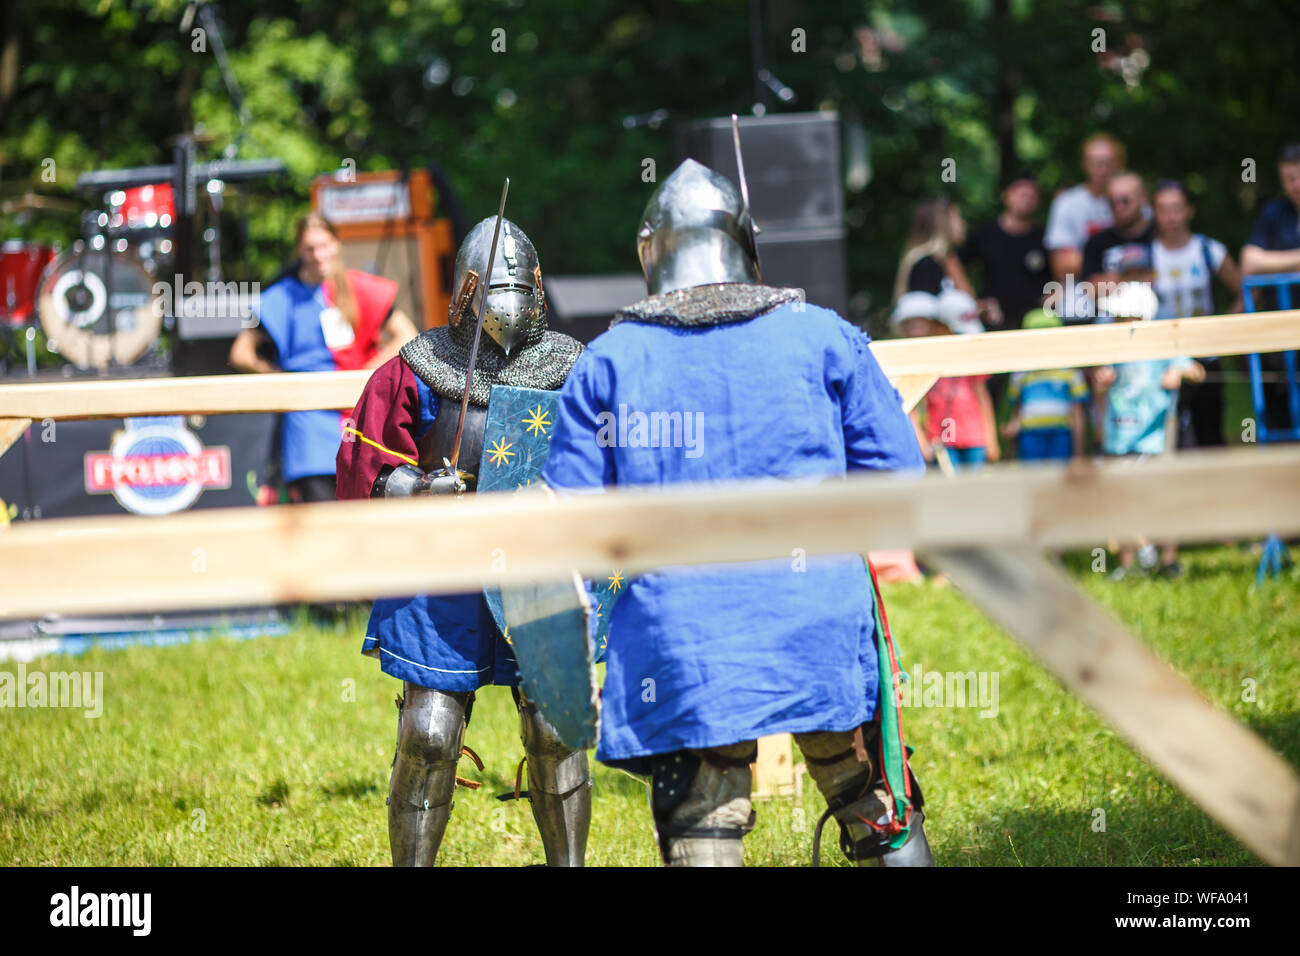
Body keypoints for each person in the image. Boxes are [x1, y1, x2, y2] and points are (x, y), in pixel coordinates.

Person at [541, 158, 933, 867]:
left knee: (704, 818)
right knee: (874, 803)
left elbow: (572, 525)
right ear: (743, 243)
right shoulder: (823, 335)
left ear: (651, 251)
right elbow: (897, 480)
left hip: (684, 641)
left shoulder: (607, 362)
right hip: (817, 622)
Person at [335, 217, 592, 866]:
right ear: (464, 290)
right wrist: (417, 489)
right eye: (490, 288)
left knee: (554, 730)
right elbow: (366, 466)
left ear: (537, 287)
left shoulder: (574, 368)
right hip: (440, 567)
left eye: (516, 288)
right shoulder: (414, 371)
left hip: (540, 565)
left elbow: (606, 463)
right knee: (427, 733)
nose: (504, 304)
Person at [229, 213, 419, 503]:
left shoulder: (360, 288)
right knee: (321, 526)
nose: (318, 255)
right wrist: (280, 381)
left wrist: (367, 375)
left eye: (323, 245)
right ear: (299, 251)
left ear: (336, 244)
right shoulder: (282, 296)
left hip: (362, 420)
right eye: (309, 248)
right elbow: (241, 353)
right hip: (310, 430)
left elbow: (406, 334)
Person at [1093, 283, 1204, 579]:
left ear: (1140, 319)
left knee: (1163, 496)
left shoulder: (1163, 344)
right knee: (1119, 496)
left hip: (1156, 434)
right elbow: (1101, 386)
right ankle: (1131, 562)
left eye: (1122, 318)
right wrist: (1101, 385)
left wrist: (1177, 372)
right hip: (1119, 435)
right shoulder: (1112, 345)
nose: (1116, 323)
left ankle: (1168, 559)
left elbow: (1196, 370)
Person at [1150, 179, 1242, 447]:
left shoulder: (1208, 250)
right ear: (1155, 213)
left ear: (1189, 210)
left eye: (1176, 208)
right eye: (1163, 209)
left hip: (1206, 353)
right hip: (1163, 356)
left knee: (1210, 431)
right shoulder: (1146, 255)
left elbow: (1245, 291)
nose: (1170, 217)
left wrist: (1225, 327)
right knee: (1167, 434)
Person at [899, 287, 999, 470]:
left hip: (975, 438)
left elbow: (982, 397)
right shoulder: (925, 360)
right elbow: (911, 404)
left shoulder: (970, 358)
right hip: (942, 440)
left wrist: (991, 439)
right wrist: (920, 440)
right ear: (938, 327)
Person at [1240, 142, 1300, 436]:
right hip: (1281, 339)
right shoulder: (1273, 213)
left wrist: (1280, 263)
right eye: (1289, 178)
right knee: (1280, 426)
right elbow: (1249, 261)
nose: (1296, 184)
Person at [959, 171, 1051, 332]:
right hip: (993, 323)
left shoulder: (1045, 237)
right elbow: (954, 264)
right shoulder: (985, 234)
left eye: (1032, 195)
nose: (1026, 199)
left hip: (1035, 323)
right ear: (1006, 195)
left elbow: (1059, 274)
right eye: (1021, 194)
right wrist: (975, 301)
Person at [1002, 308, 1088, 462]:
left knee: (1059, 481)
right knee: (1032, 480)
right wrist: (1012, 430)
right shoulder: (1021, 372)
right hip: (1030, 435)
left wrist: (1078, 454)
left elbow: (1078, 413)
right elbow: (1018, 408)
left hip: (1061, 434)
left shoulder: (1069, 370)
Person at [1044, 133, 1126, 285]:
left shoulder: (1135, 202)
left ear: (1119, 164)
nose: (1102, 169)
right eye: (1095, 163)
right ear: (1085, 164)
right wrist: (1122, 263)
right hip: (1079, 297)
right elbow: (1062, 265)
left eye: (1107, 162)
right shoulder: (1066, 203)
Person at [1081, 170, 1156, 321]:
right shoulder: (1097, 241)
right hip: (1111, 316)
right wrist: (1136, 278)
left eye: (1125, 200)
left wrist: (1114, 280)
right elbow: (1090, 288)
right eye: (1112, 202)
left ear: (1143, 198)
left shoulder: (1160, 235)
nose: (1118, 207)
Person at [892, 197, 976, 302]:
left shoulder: (942, 261)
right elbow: (922, 313)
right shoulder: (927, 265)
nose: (963, 224)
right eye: (958, 218)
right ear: (944, 222)